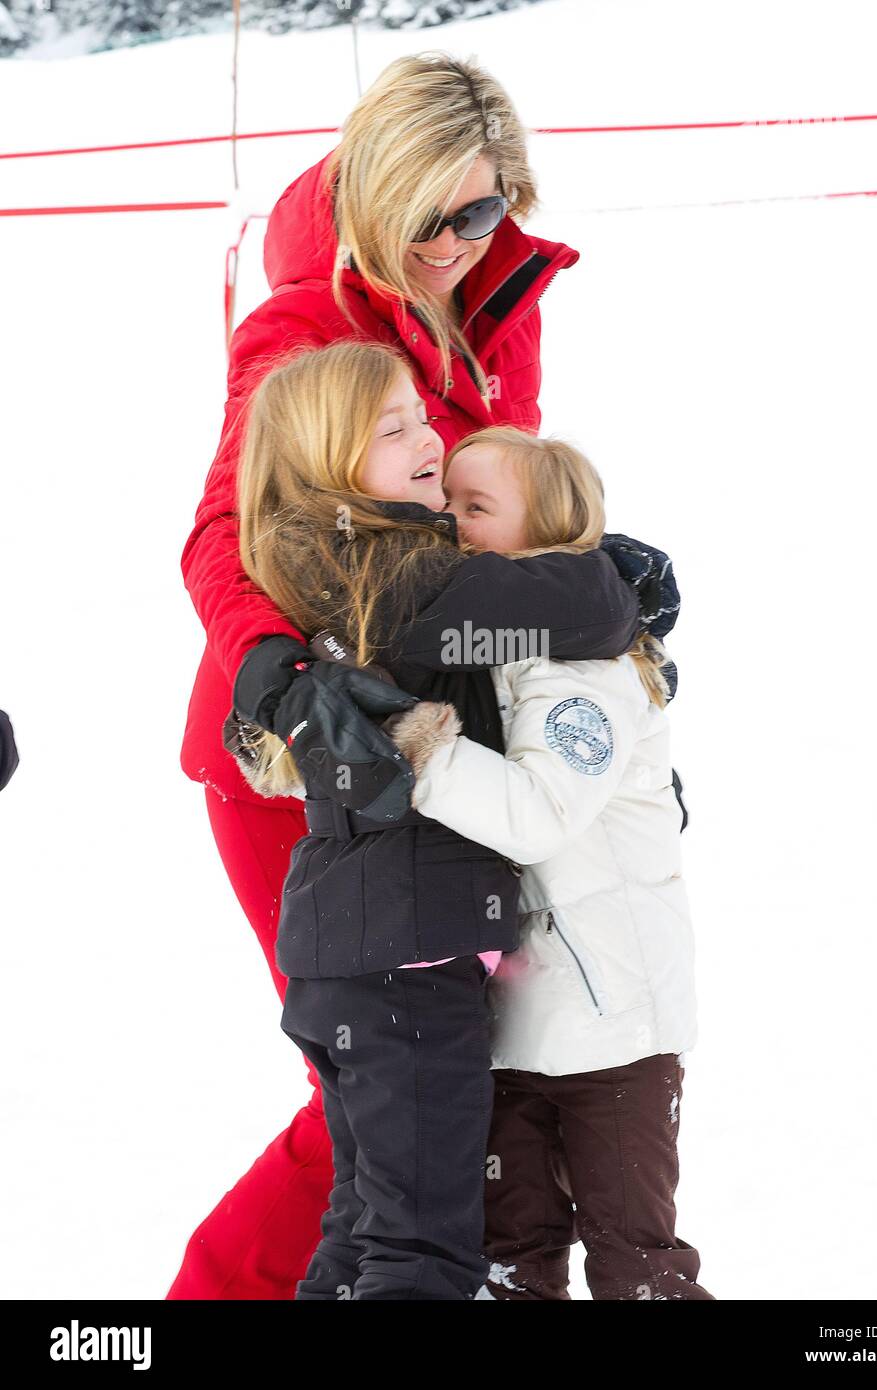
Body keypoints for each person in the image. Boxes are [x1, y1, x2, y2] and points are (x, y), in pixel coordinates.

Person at [171, 51, 587, 1299]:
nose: (461, 240)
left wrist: (598, 582)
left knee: (425, 1092)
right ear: (376, 193)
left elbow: (496, 516)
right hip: (301, 768)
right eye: (434, 216)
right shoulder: (302, 331)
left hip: (438, 760)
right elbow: (216, 536)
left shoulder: (499, 303)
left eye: (484, 207)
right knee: (371, 1091)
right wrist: (279, 679)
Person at [216, 339, 680, 1298]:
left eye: (423, 416)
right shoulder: (408, 588)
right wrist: (610, 581)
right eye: (395, 430)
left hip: (344, 949)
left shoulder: (333, 572)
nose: (428, 439)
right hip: (408, 955)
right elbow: (574, 615)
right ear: (334, 463)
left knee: (361, 1226)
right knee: (425, 1247)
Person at [384, 426, 715, 1300]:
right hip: (515, 1024)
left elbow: (535, 814)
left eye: (476, 507)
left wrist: (414, 749)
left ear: (548, 540)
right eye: (446, 501)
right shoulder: (493, 657)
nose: (449, 522)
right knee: (511, 1264)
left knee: (638, 1265)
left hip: (613, 1025)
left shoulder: (585, 671)